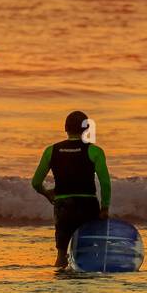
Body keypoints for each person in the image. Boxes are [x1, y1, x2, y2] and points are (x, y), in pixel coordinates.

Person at [31, 110, 111, 268]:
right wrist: (105, 207)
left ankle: (61, 285)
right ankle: (85, 285)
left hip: (64, 206)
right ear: (86, 129)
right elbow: (105, 183)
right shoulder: (95, 151)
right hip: (88, 205)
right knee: (88, 249)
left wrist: (47, 193)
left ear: (65, 128)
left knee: (61, 254)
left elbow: (35, 182)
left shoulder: (51, 151)